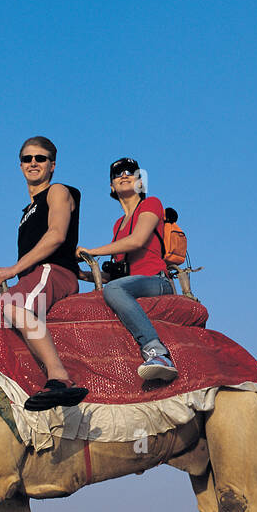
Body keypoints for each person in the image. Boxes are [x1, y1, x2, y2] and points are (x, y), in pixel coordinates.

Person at [0, 136, 89, 411]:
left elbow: (57, 236)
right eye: (27, 159)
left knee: (12, 305)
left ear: (52, 165)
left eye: (40, 158)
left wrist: (12, 270)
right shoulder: (27, 211)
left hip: (50, 272)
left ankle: (58, 377)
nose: (33, 163)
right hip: (36, 276)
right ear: (20, 165)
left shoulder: (57, 191)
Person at [77, 157, 178, 382]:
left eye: (130, 172)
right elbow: (116, 276)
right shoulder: (117, 225)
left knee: (113, 290)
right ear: (112, 186)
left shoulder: (152, 204)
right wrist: (81, 273)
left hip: (156, 281)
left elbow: (138, 240)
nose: (124, 175)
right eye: (118, 173)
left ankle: (157, 352)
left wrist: (92, 251)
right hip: (129, 284)